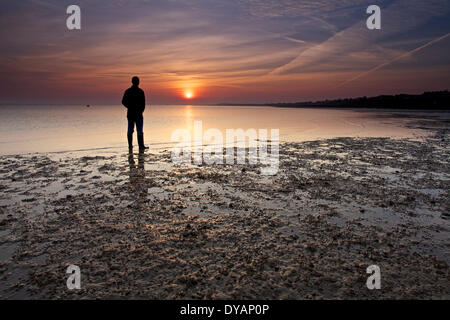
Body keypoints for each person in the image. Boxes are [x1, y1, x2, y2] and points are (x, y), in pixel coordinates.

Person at [122, 76, 149, 151]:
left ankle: (133, 146)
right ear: (137, 82)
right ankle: (137, 146)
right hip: (135, 113)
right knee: (136, 130)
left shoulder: (130, 91)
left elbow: (143, 104)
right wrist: (132, 108)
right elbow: (123, 102)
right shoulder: (138, 91)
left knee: (132, 130)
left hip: (133, 113)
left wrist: (131, 107)